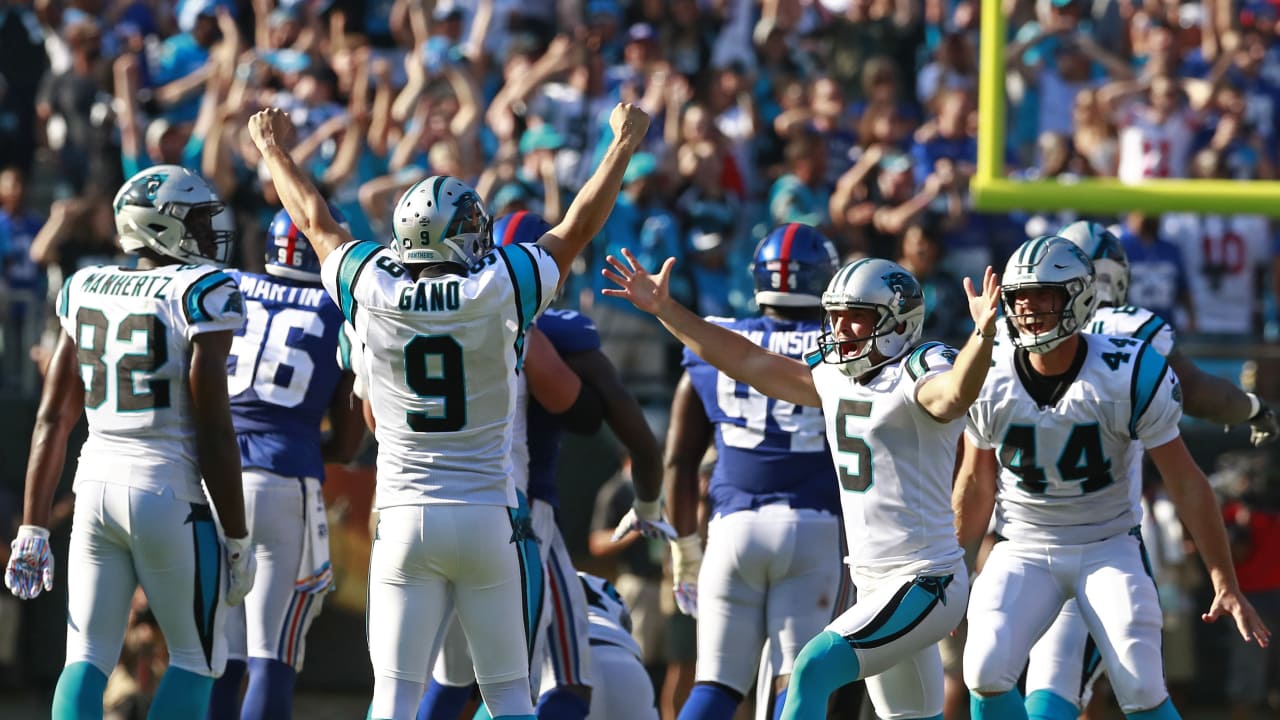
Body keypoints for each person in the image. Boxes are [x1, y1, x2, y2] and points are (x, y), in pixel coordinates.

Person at [248, 102, 654, 720]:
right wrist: (620, 145)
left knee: (394, 699)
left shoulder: (370, 283)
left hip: (405, 515)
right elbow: (576, 227)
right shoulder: (501, 283)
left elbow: (314, 221)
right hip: (489, 514)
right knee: (511, 696)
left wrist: (273, 149)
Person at [602, 248, 1003, 720]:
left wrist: (982, 336)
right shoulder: (835, 377)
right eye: (835, 317)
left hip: (924, 580)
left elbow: (955, 392)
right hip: (874, 582)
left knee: (812, 666)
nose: (840, 329)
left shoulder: (919, 370)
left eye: (856, 318)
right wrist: (666, 310)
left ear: (899, 323)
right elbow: (747, 361)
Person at [954, 235, 1271, 720]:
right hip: (1022, 545)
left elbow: (1186, 482)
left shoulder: (1129, 368)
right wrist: (951, 572)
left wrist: (1222, 578)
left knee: (1141, 686)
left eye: (1045, 295)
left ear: (1080, 296)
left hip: (1108, 543)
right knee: (984, 670)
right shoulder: (988, 371)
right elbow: (975, 486)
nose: (1030, 308)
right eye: (1020, 296)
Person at [3, 164, 256, 718]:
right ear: (161, 226)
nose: (210, 230)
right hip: (168, 492)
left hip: (94, 488)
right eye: (195, 218)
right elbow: (214, 428)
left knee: (85, 657)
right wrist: (236, 534)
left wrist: (32, 524)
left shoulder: (86, 284)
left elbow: (52, 418)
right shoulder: (204, 290)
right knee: (197, 660)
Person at [665, 223, 844, 720]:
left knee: (715, 685)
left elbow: (679, 459)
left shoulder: (720, 338)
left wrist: (683, 546)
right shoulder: (844, 349)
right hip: (813, 526)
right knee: (798, 684)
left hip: (732, 528)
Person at [207, 207, 367, 720]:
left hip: (215, 478)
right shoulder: (340, 308)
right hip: (283, 482)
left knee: (219, 653)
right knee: (273, 654)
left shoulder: (229, 285)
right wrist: (298, 444)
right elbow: (346, 442)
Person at [563, 572, 660, 720]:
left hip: (571, 668)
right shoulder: (599, 584)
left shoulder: (538, 582)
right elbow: (625, 625)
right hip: (627, 665)